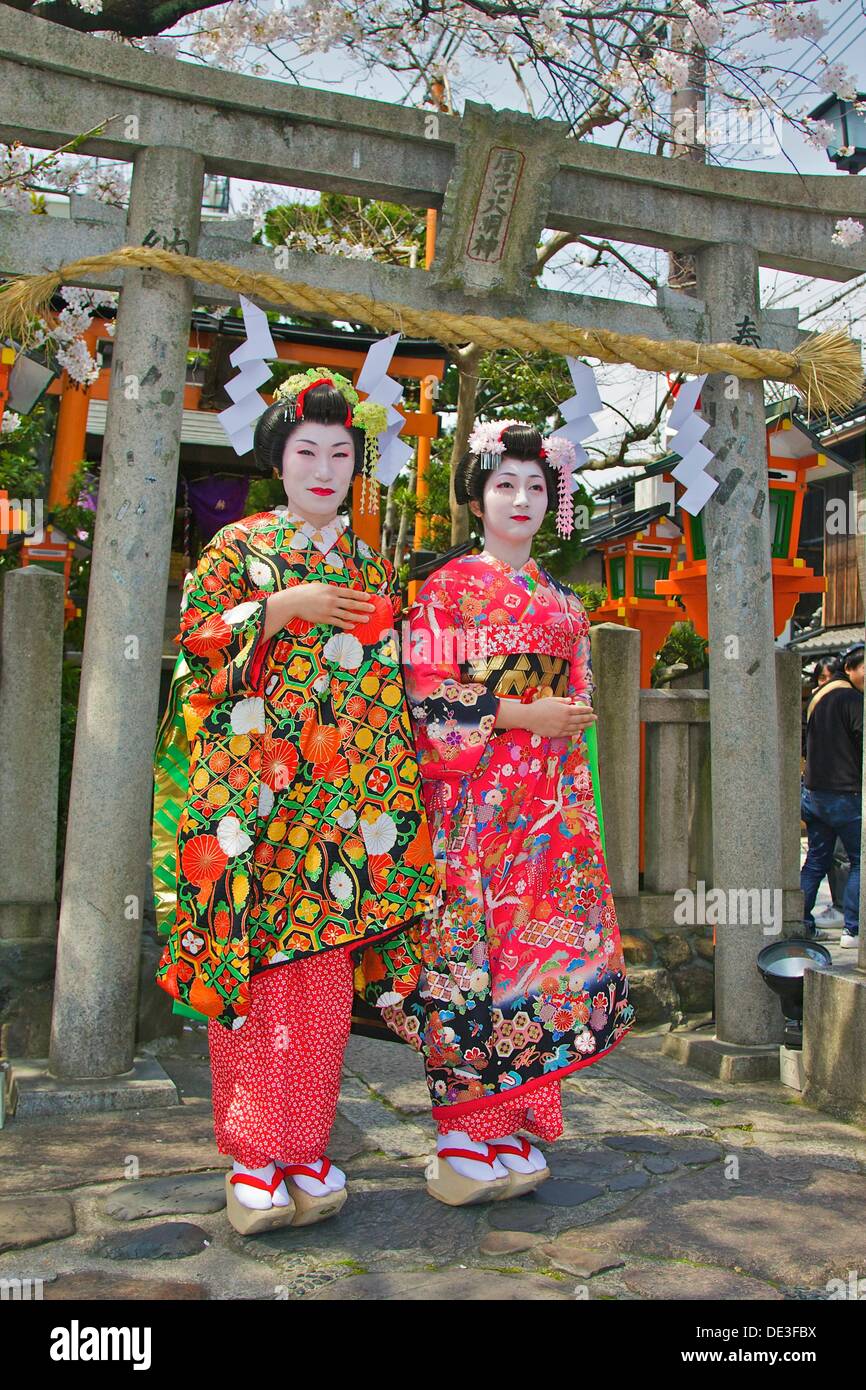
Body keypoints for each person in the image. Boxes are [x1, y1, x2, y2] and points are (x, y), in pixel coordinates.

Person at [155, 369, 436, 1234]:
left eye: (340, 453)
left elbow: (385, 686)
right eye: (306, 450)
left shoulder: (367, 561)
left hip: (339, 813)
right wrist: (283, 606)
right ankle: (252, 1157)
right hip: (250, 810)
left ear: (357, 465)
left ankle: (306, 1149)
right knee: (252, 971)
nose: (323, 467)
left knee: (316, 984)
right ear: (280, 460)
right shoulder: (234, 549)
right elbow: (199, 649)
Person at [397, 419, 635, 1206]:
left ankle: (511, 1121)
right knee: (471, 953)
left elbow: (581, 703)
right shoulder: (444, 588)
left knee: (536, 956)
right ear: (477, 497)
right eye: (505, 484)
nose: (522, 498)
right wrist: (521, 714)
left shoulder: (565, 603)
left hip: (546, 809)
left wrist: (567, 750)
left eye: (537, 486)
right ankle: (462, 1129)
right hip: (473, 799)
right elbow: (426, 695)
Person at [801, 642, 863, 949]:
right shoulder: (852, 698)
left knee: (816, 861)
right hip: (843, 794)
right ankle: (853, 929)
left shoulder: (818, 698)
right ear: (851, 668)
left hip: (813, 793)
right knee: (860, 860)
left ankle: (800, 922)